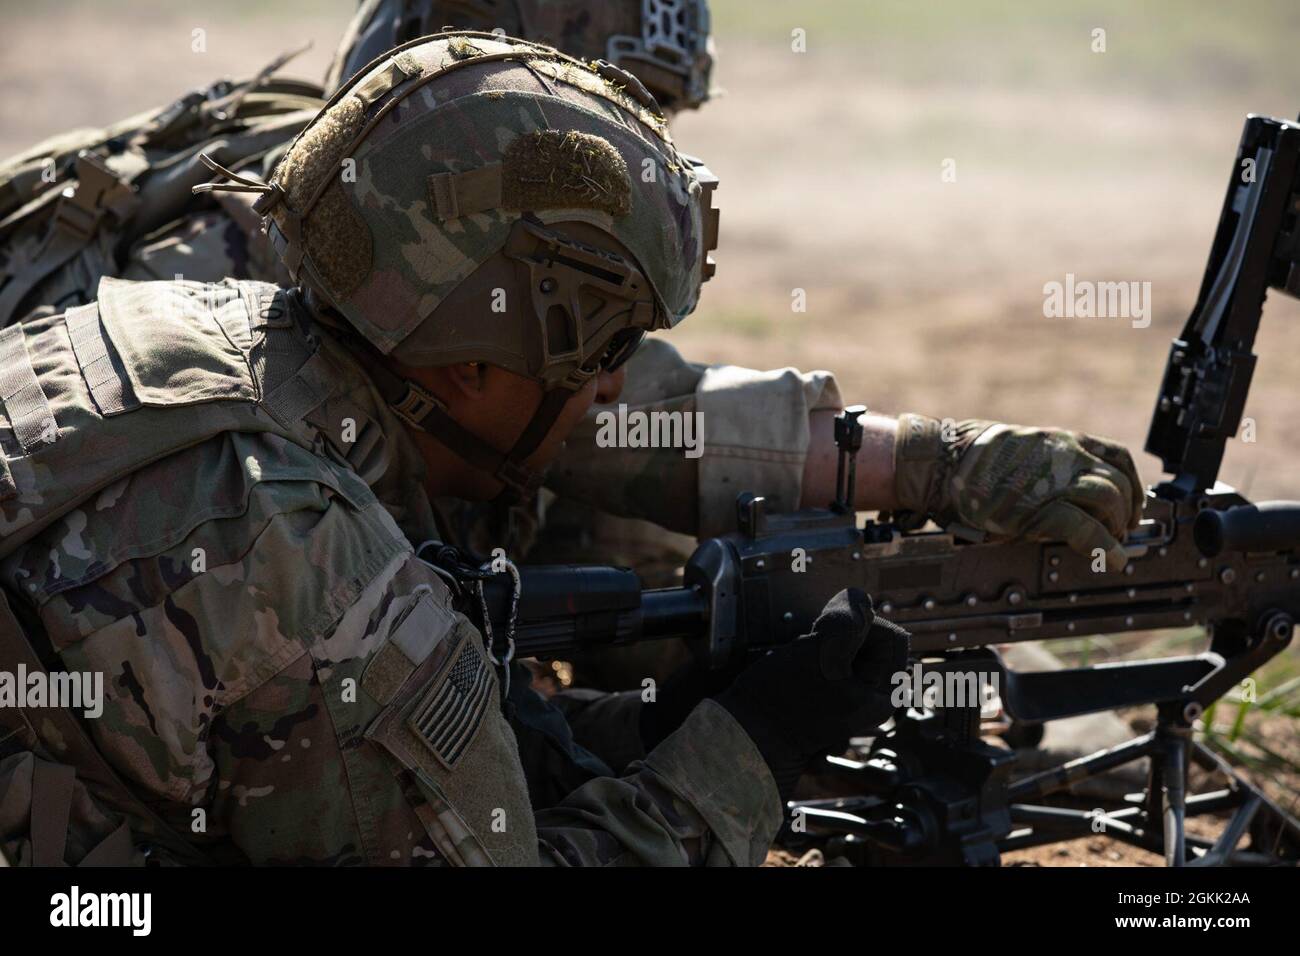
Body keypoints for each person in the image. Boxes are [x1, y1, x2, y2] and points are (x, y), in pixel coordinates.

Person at [0, 33, 914, 867]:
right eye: (602, 350)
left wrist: (651, 726)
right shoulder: (321, 571)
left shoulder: (181, 329)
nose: (607, 390)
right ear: (472, 366)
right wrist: (752, 750)